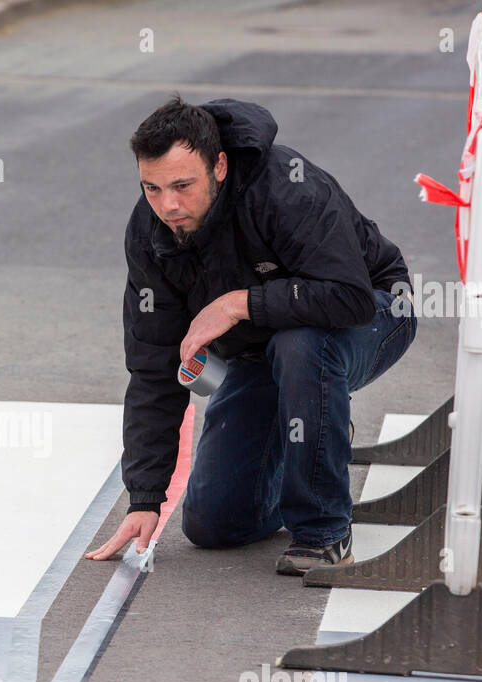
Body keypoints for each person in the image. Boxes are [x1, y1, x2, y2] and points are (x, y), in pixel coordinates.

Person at [85, 95, 417, 574]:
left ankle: (323, 529)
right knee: (213, 524)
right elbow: (154, 365)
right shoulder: (150, 232)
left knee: (301, 342)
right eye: (152, 188)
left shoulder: (286, 188)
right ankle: (311, 429)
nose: (168, 205)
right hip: (262, 350)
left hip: (375, 312)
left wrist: (237, 303)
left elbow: (349, 296)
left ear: (219, 165)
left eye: (182, 185)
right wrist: (145, 497)